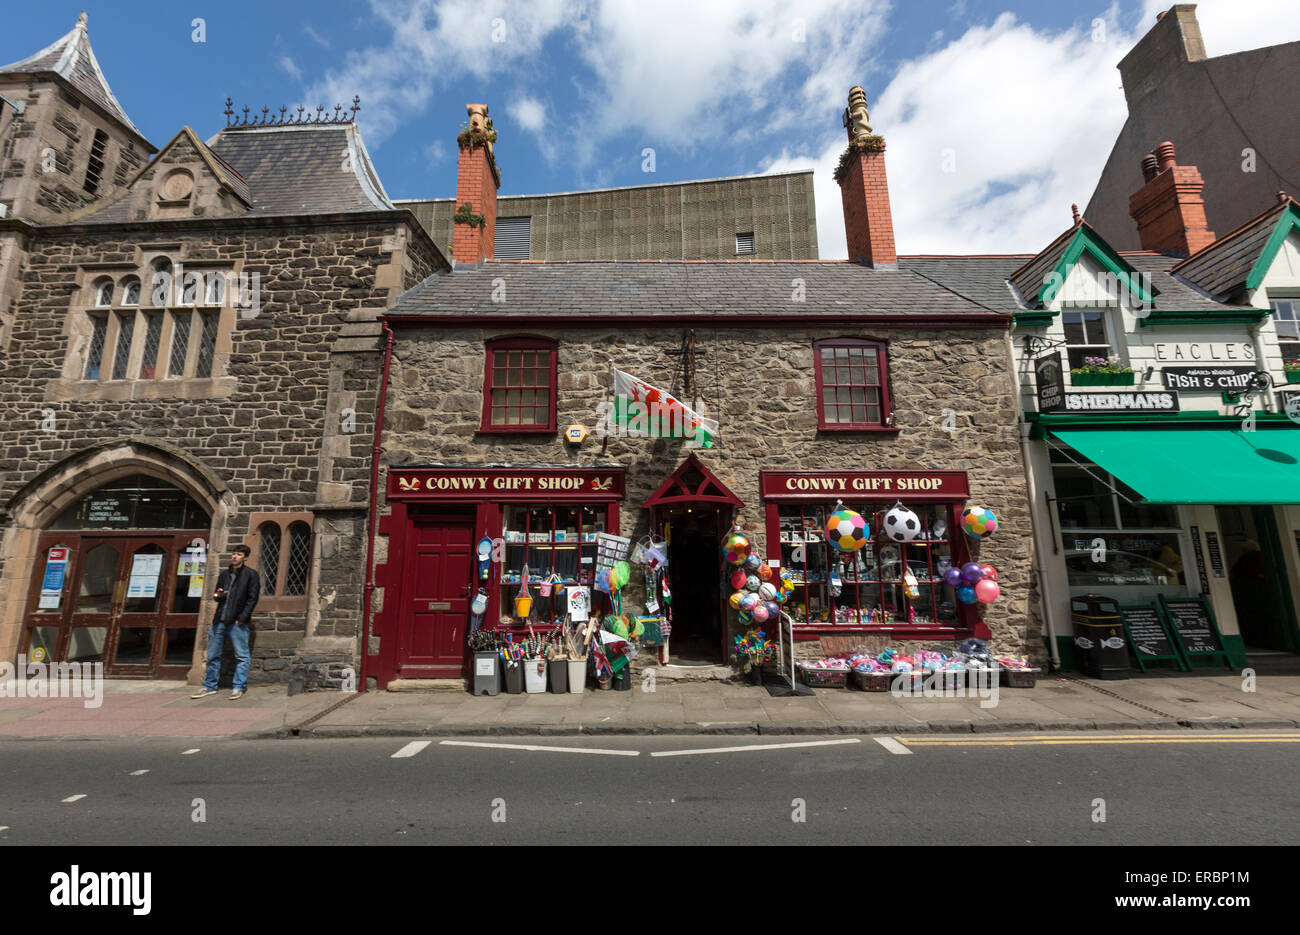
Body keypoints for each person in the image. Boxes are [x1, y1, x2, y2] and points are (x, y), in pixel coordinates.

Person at [191, 544, 260, 700]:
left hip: (236, 622)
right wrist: (218, 595)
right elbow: (215, 596)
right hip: (219, 620)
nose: (234, 557)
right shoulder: (224, 574)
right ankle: (209, 686)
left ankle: (238, 686)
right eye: (234, 554)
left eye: (239, 555)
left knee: (242, 656)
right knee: (213, 655)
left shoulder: (251, 575)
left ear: (245, 557)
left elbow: (252, 598)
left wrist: (242, 619)